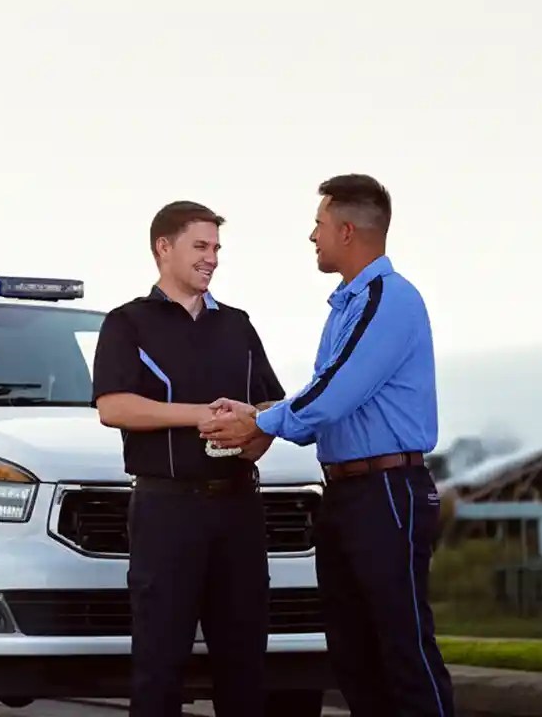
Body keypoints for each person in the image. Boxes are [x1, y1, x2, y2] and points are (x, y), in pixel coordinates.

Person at [199, 174, 455, 716]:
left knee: (402, 646)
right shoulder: (347, 304)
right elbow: (326, 394)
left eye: (317, 225)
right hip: (345, 492)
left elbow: (334, 394)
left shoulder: (389, 299)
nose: (311, 236)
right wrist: (263, 414)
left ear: (345, 230)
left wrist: (262, 426)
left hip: (387, 492)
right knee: (354, 653)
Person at [91, 200, 286, 717]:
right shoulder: (127, 324)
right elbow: (113, 407)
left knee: (244, 660)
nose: (212, 258)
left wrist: (258, 430)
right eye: (201, 246)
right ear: (164, 248)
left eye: (216, 248)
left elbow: (272, 403)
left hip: (240, 509)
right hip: (166, 510)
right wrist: (200, 414)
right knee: (160, 661)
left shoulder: (239, 326)